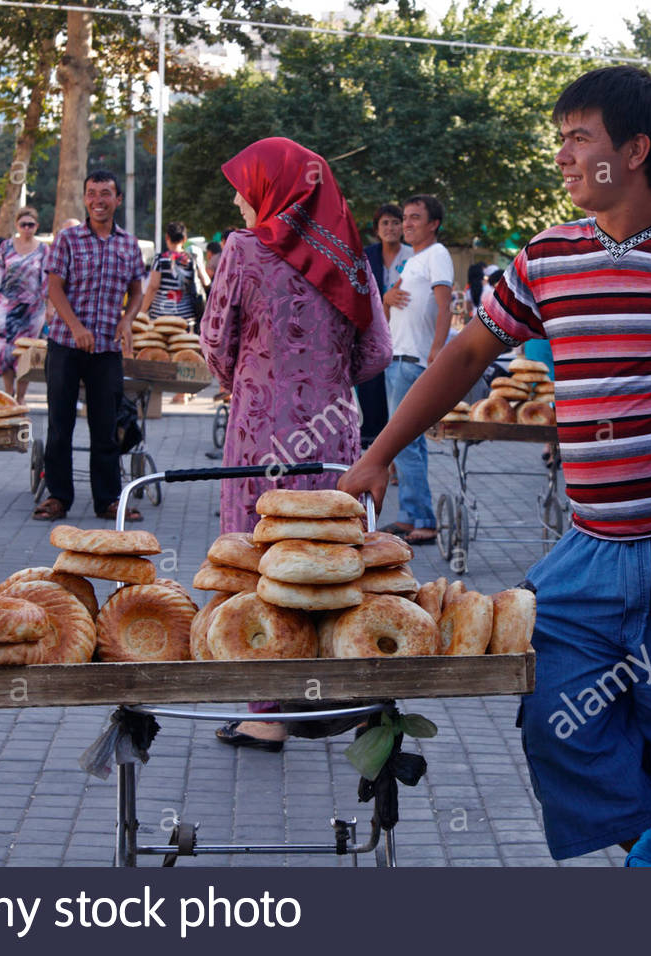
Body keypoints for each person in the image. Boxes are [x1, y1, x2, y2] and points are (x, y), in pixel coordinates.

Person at [340, 66, 651, 859]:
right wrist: (380, 453)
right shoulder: (547, 259)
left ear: (635, 151)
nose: (563, 156)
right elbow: (466, 353)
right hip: (586, 555)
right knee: (556, 721)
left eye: (579, 138)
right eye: (562, 139)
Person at [202, 136, 391, 751]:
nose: (238, 199)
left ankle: (267, 713)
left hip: (259, 437)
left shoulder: (243, 249)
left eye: (244, 187)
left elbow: (215, 342)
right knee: (333, 558)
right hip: (334, 432)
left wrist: (250, 378)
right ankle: (349, 699)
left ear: (271, 188)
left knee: (257, 559)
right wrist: (328, 377)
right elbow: (378, 352)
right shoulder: (349, 256)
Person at [33, 171, 145, 523]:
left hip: (107, 350)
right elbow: (54, 288)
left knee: (106, 427)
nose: (98, 200)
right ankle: (58, 497)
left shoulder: (129, 244)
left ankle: (108, 500)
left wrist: (128, 319)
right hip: (66, 345)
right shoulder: (67, 239)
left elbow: (138, 290)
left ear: (118, 200)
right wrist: (76, 327)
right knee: (60, 425)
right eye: (92, 193)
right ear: (84, 199)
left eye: (106, 193)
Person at [377, 194, 452, 546]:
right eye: (405, 217)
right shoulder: (412, 262)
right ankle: (410, 516)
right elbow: (393, 308)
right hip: (397, 359)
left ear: (433, 224)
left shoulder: (437, 254)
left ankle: (422, 519)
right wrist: (386, 299)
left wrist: (437, 349)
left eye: (415, 217)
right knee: (408, 444)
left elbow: (445, 304)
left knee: (404, 443)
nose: (406, 223)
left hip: (412, 360)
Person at [0, 206, 48, 404]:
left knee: (26, 355)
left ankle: (21, 396)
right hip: (6, 306)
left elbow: (47, 282)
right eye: (23, 224)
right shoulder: (6, 247)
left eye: (31, 225)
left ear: (37, 226)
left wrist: (51, 308)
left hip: (32, 310)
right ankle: (8, 393)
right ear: (17, 225)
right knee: (5, 351)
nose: (27, 228)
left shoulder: (44, 249)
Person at [361, 203, 411, 448]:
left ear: (403, 226)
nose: (390, 228)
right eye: (385, 223)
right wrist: (383, 300)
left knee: (399, 400)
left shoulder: (413, 257)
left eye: (395, 222)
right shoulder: (365, 256)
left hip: (404, 335)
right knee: (371, 392)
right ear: (377, 228)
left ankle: (395, 452)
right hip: (373, 334)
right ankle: (371, 448)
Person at [139, 220, 200, 325]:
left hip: (160, 316)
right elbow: (205, 282)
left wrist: (142, 311)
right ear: (184, 239)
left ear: (167, 237)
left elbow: (153, 287)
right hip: (186, 318)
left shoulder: (160, 260)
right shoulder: (192, 260)